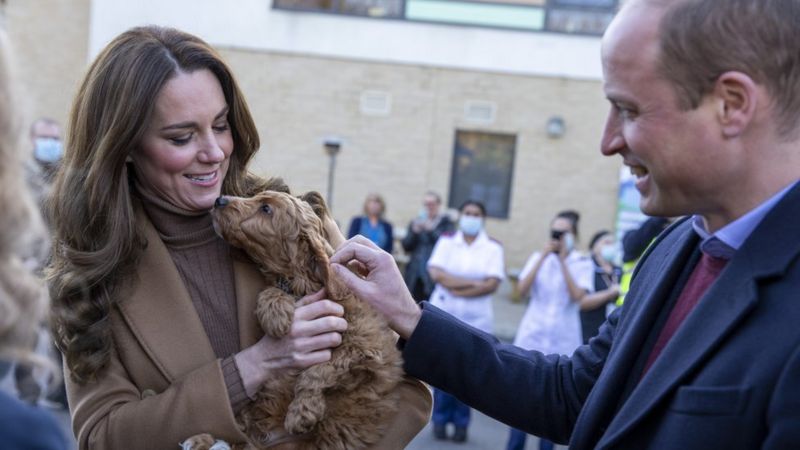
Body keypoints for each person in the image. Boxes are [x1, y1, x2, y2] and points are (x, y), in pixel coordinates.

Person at [329, 0, 800, 448]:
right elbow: (572, 394)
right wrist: (408, 315)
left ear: (732, 104)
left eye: (630, 110)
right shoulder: (678, 245)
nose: (608, 141)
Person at [47, 26, 430, 449]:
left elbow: (406, 390)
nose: (213, 152)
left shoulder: (297, 224)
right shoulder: (91, 269)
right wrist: (253, 367)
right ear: (125, 146)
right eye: (181, 136)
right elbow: (101, 436)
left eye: (221, 125)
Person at [0, 28, 68, 450]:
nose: (48, 145)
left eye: (53, 139)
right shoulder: (21, 185)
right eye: (42, 137)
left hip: (40, 286)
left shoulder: (64, 186)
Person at [505, 210, 593, 450]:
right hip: (533, 334)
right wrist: (544, 257)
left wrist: (563, 261)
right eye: (554, 232)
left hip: (562, 338)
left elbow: (578, 296)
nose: (558, 237)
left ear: (574, 235)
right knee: (521, 401)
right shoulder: (538, 257)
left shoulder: (582, 262)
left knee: (553, 404)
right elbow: (520, 291)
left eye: (563, 233)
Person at [426, 199, 504, 443]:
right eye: (467, 212)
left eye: (476, 213)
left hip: (476, 318)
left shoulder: (492, 247)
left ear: (482, 218)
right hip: (444, 312)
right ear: (461, 216)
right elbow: (437, 274)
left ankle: (461, 424)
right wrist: (473, 283)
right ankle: (439, 420)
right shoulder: (448, 241)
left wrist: (457, 285)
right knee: (442, 370)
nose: (471, 217)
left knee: (468, 373)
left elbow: (492, 284)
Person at [401, 191, 453, 302]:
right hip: (414, 274)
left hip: (434, 275)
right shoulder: (416, 222)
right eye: (426, 204)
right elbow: (406, 247)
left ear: (438, 205)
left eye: (432, 204)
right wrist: (414, 233)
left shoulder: (446, 223)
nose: (429, 207)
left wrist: (431, 230)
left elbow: (448, 246)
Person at [580, 230, 621, 343]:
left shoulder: (618, 270)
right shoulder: (587, 267)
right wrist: (610, 294)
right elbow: (582, 302)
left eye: (612, 244)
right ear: (594, 247)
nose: (610, 247)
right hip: (588, 331)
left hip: (611, 333)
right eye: (606, 243)